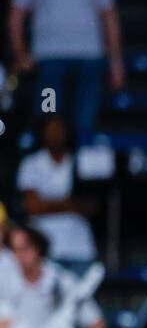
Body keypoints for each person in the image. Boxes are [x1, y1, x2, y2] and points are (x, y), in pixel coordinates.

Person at [8, 0, 125, 145]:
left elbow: (109, 18)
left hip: (90, 58)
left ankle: (81, 174)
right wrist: (20, 53)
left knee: (85, 120)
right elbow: (16, 16)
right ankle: (46, 170)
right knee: (48, 115)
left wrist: (115, 61)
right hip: (49, 58)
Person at [16, 114, 98, 265]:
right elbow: (32, 206)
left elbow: (92, 206)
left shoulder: (82, 161)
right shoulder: (31, 163)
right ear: (43, 133)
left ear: (67, 132)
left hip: (80, 248)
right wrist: (70, 205)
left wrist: (47, 203)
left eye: (59, 130)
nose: (55, 135)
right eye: (51, 130)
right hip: (44, 248)